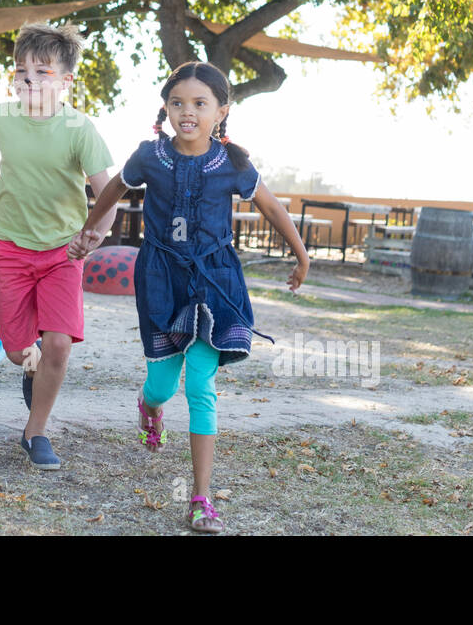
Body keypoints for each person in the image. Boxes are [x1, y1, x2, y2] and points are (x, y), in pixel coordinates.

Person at [69, 61, 309, 532]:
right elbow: (113, 189)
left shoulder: (233, 164)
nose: (187, 112)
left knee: (200, 387)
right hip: (162, 277)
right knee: (162, 385)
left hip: (215, 280)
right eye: (177, 102)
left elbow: (271, 205)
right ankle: (150, 404)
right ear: (165, 107)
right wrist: (90, 230)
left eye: (200, 103)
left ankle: (201, 499)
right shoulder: (150, 156)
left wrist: (301, 256)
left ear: (221, 110)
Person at [0, 22, 117, 470]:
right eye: (21, 70)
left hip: (62, 253)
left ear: (66, 80)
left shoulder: (79, 129)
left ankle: (36, 432)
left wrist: (96, 233)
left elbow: (109, 190)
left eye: (42, 71)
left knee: (59, 344)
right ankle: (31, 368)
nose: (30, 79)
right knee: (17, 350)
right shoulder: (2, 118)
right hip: (9, 246)